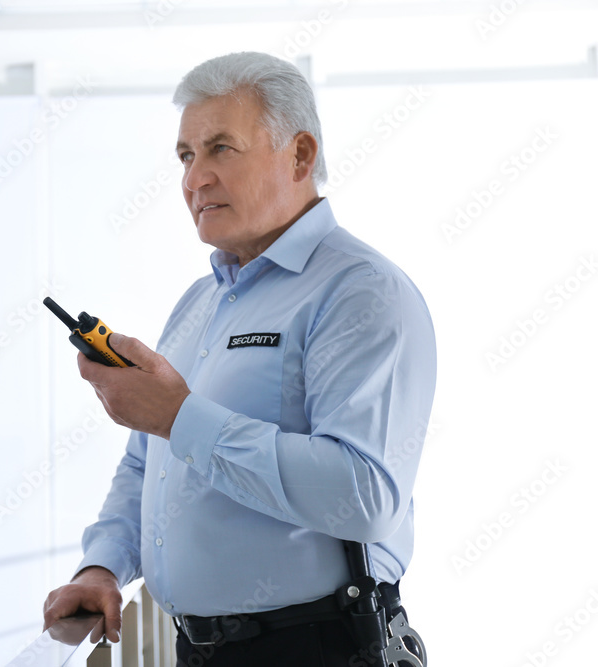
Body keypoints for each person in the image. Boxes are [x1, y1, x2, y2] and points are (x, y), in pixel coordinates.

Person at [42, 51, 436, 666]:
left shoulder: (361, 291)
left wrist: (180, 417)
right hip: (196, 650)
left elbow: (363, 498)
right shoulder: (199, 304)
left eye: (221, 148)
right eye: (185, 155)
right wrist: (104, 565)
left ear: (300, 156)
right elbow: (149, 465)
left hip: (316, 649)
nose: (195, 178)